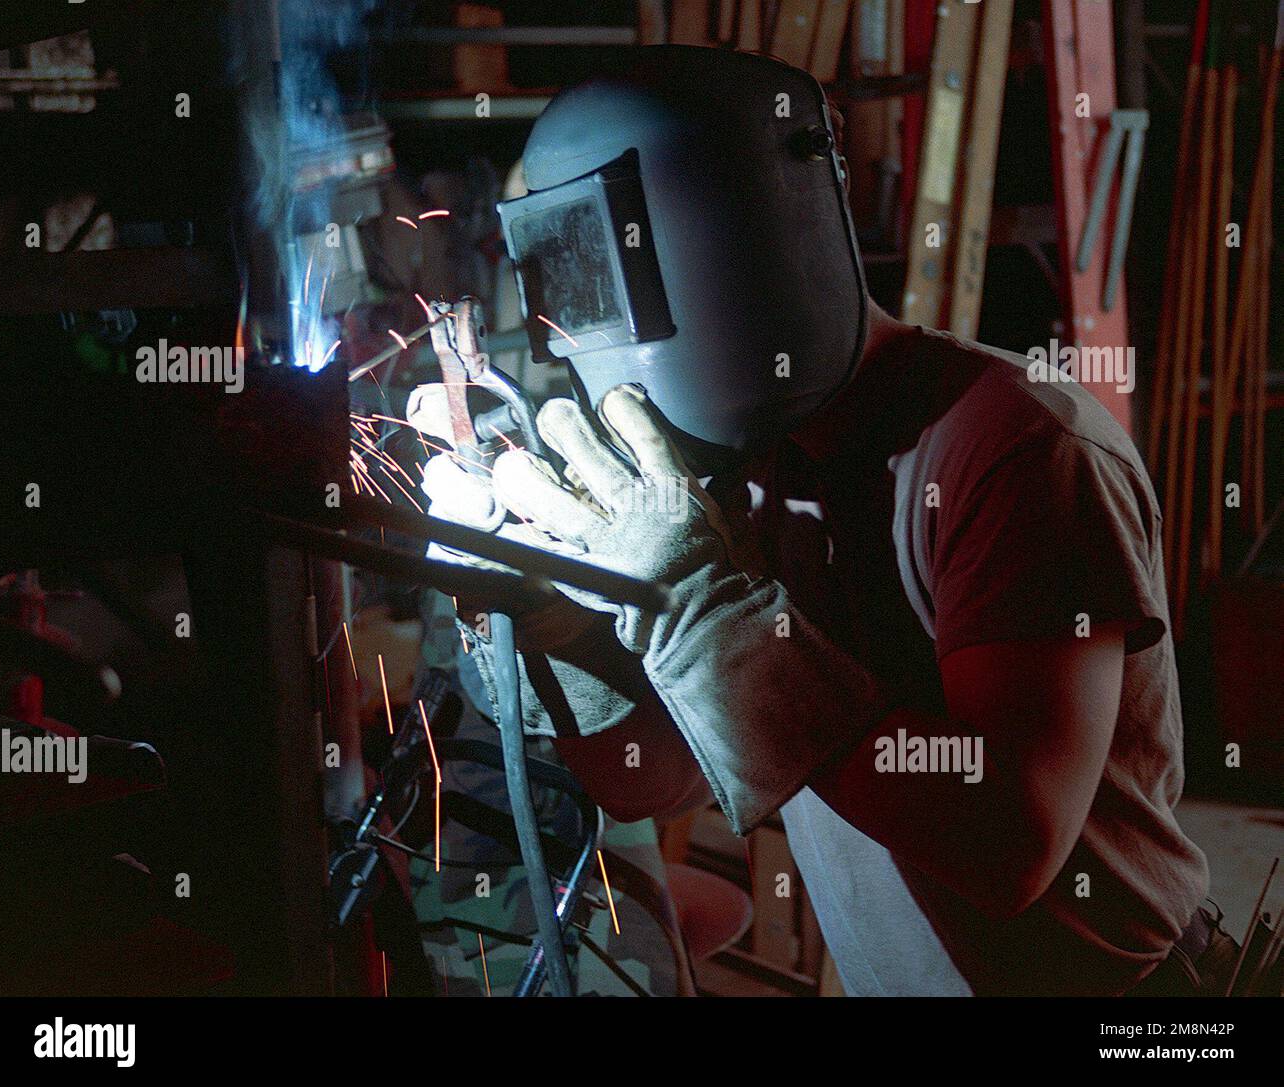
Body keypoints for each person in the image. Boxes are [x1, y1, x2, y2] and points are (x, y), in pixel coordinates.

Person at [418, 46, 1218, 996]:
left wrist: (707, 620)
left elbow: (1013, 845)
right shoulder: (731, 478)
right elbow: (654, 778)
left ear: (739, 227)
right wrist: (565, 631)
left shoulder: (1019, 447)